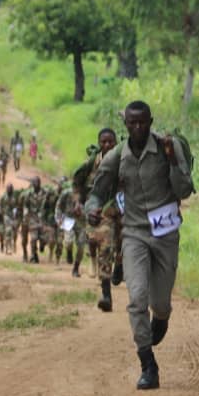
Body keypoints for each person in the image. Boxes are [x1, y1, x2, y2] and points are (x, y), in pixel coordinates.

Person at [85, 102, 194, 390]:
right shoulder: (117, 156)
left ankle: (161, 318)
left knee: (159, 302)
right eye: (131, 124)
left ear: (150, 122)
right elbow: (98, 191)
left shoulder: (166, 148)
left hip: (166, 233)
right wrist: (93, 208)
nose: (137, 128)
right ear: (126, 125)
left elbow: (184, 189)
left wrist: (172, 160)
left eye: (142, 123)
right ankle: (148, 364)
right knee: (136, 298)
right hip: (134, 233)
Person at [77, 128, 123, 310]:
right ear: (99, 143)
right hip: (100, 210)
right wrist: (81, 204)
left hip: (124, 209)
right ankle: (106, 294)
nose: (107, 145)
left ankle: (120, 265)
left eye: (111, 142)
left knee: (126, 241)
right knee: (104, 247)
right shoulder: (91, 163)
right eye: (104, 142)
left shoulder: (124, 161)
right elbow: (78, 185)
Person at [55, 179, 86, 276]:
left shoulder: (85, 194)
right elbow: (59, 206)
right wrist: (58, 217)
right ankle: (69, 252)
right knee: (68, 242)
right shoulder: (66, 193)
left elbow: (90, 206)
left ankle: (76, 268)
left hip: (81, 221)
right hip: (68, 219)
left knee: (81, 246)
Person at [19, 176, 50, 263]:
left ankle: (37, 250)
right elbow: (25, 205)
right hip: (31, 217)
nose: (36, 184)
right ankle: (29, 255)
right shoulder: (28, 194)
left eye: (37, 182)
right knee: (31, 238)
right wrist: (26, 213)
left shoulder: (45, 193)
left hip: (41, 218)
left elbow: (50, 204)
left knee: (44, 238)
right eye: (34, 183)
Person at [0, 183, 21, 255]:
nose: (9, 190)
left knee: (15, 232)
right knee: (8, 231)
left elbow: (18, 206)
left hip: (14, 216)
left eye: (10, 189)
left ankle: (14, 244)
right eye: (8, 189)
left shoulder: (15, 197)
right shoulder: (3, 197)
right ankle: (8, 248)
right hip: (6, 216)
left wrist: (17, 211)